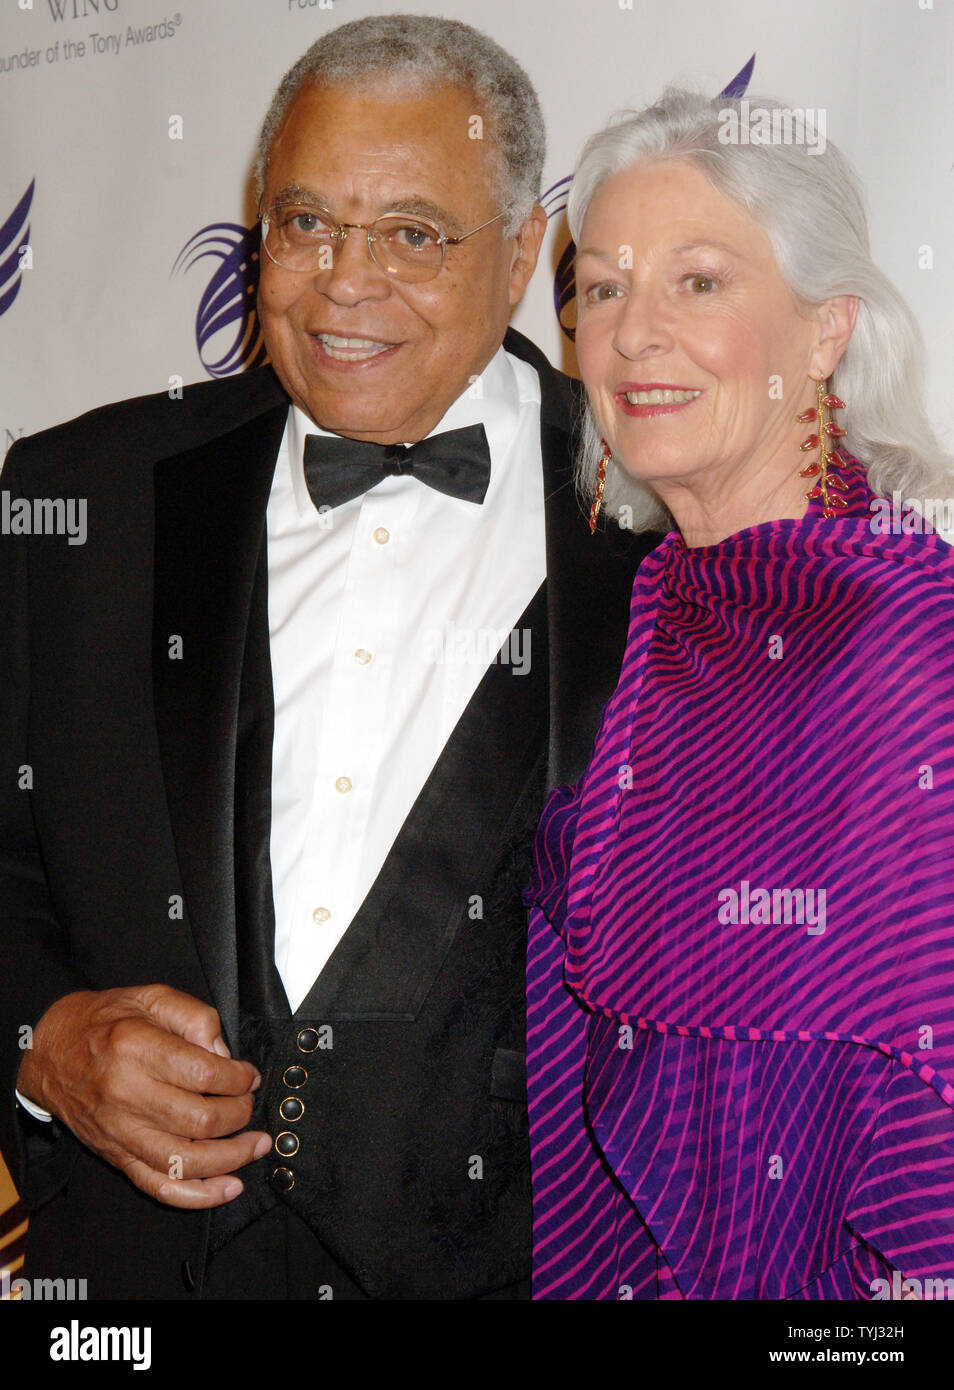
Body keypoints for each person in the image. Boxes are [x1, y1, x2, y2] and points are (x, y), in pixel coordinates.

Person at [0, 15, 656, 1300]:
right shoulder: (80, 497)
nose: (346, 282)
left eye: (414, 234)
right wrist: (45, 1038)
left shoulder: (663, 531)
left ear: (525, 252)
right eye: (306, 224)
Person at [525, 87, 954, 1300]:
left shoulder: (914, 634)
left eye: (699, 282)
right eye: (601, 288)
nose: (633, 334)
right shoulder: (645, 611)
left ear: (826, 333)